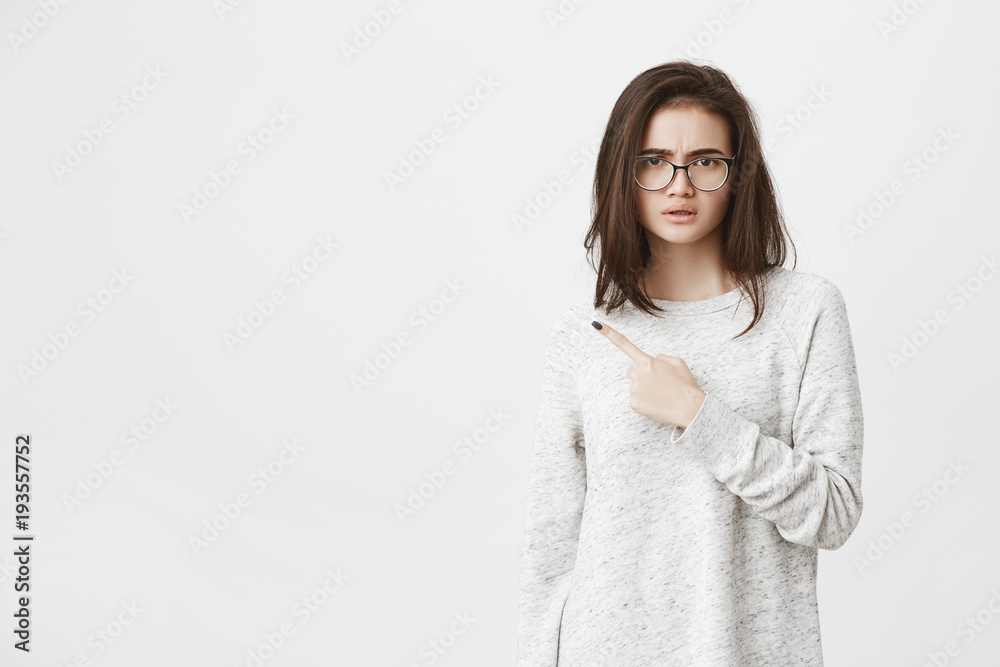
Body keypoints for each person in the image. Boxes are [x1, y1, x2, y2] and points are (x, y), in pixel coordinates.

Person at [516, 60, 864, 666]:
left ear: (738, 175)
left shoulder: (805, 311)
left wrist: (698, 416)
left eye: (705, 161)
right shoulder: (584, 336)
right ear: (623, 176)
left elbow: (831, 515)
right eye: (653, 162)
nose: (680, 185)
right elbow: (551, 555)